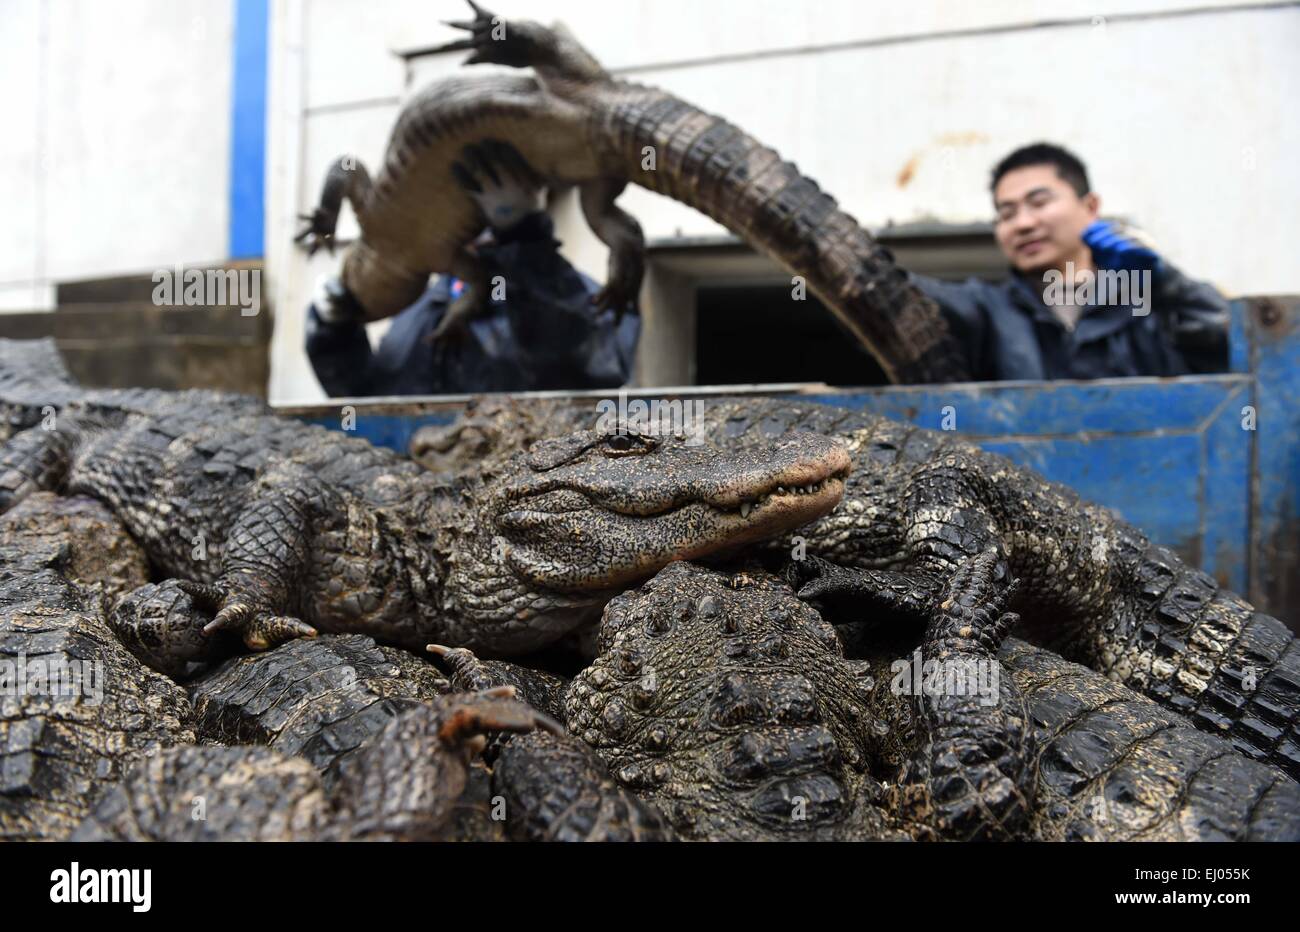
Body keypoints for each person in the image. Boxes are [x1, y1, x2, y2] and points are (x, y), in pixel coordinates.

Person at [306, 142, 639, 396]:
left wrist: (525, 241)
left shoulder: (600, 304)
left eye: (473, 202)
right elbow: (366, 396)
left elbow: (592, 370)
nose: (464, 220)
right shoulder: (424, 303)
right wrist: (335, 333)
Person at [911, 143, 1228, 381]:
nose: (1022, 223)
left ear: (1090, 207)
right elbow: (905, 294)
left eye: (1039, 203)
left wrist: (1161, 281)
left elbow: (1229, 339)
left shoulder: (1146, 306)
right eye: (1006, 213)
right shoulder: (988, 310)